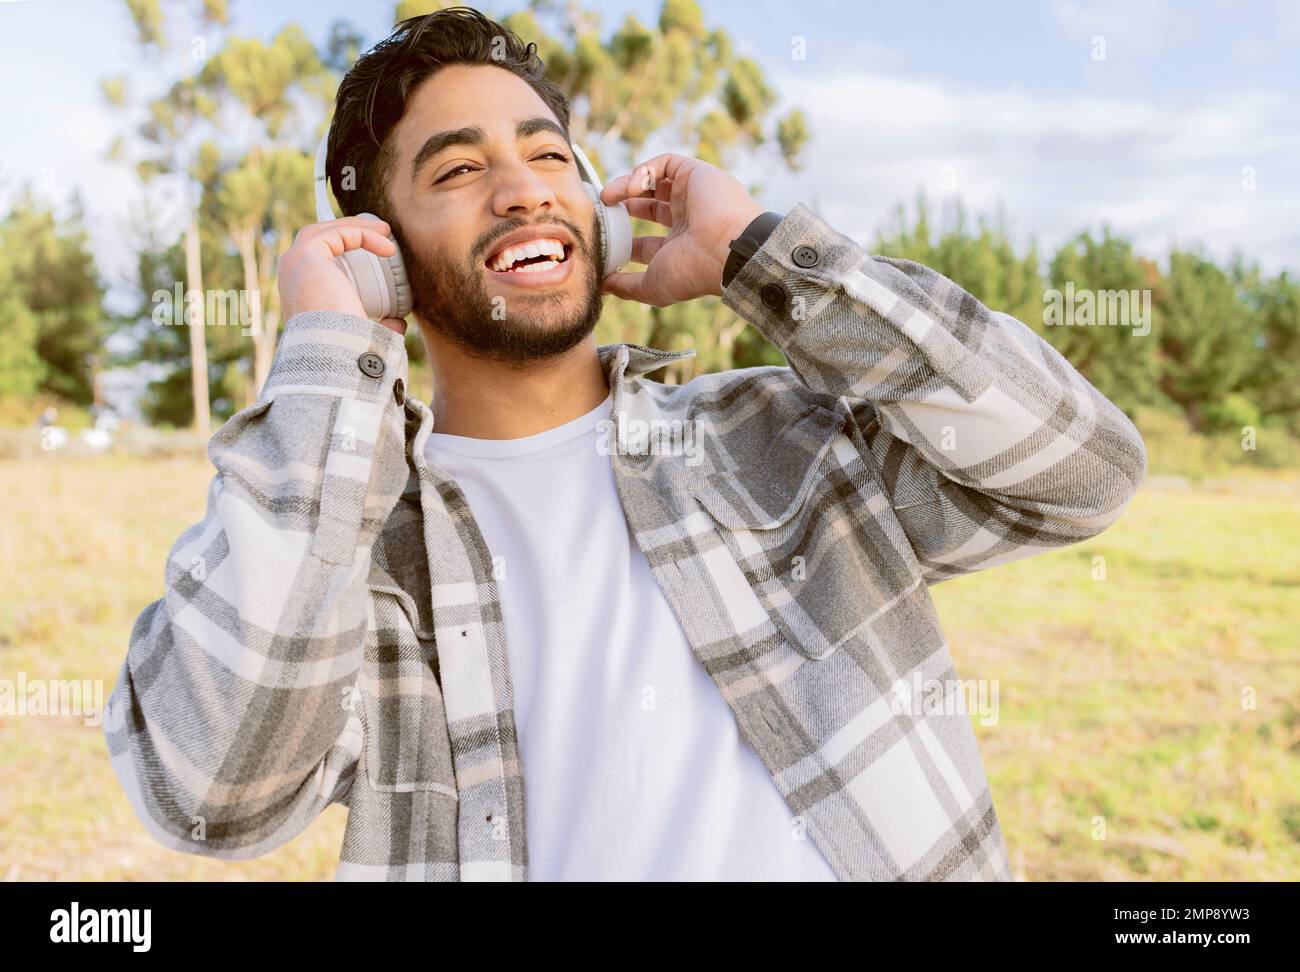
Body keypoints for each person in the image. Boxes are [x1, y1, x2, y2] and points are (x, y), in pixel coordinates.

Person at [103, 7, 1146, 882]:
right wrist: (330, 360)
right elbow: (213, 794)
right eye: (457, 171)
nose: (523, 189)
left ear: (596, 215)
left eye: (548, 153)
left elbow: (1079, 472)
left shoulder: (785, 440)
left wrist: (765, 262)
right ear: (385, 259)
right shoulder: (347, 550)